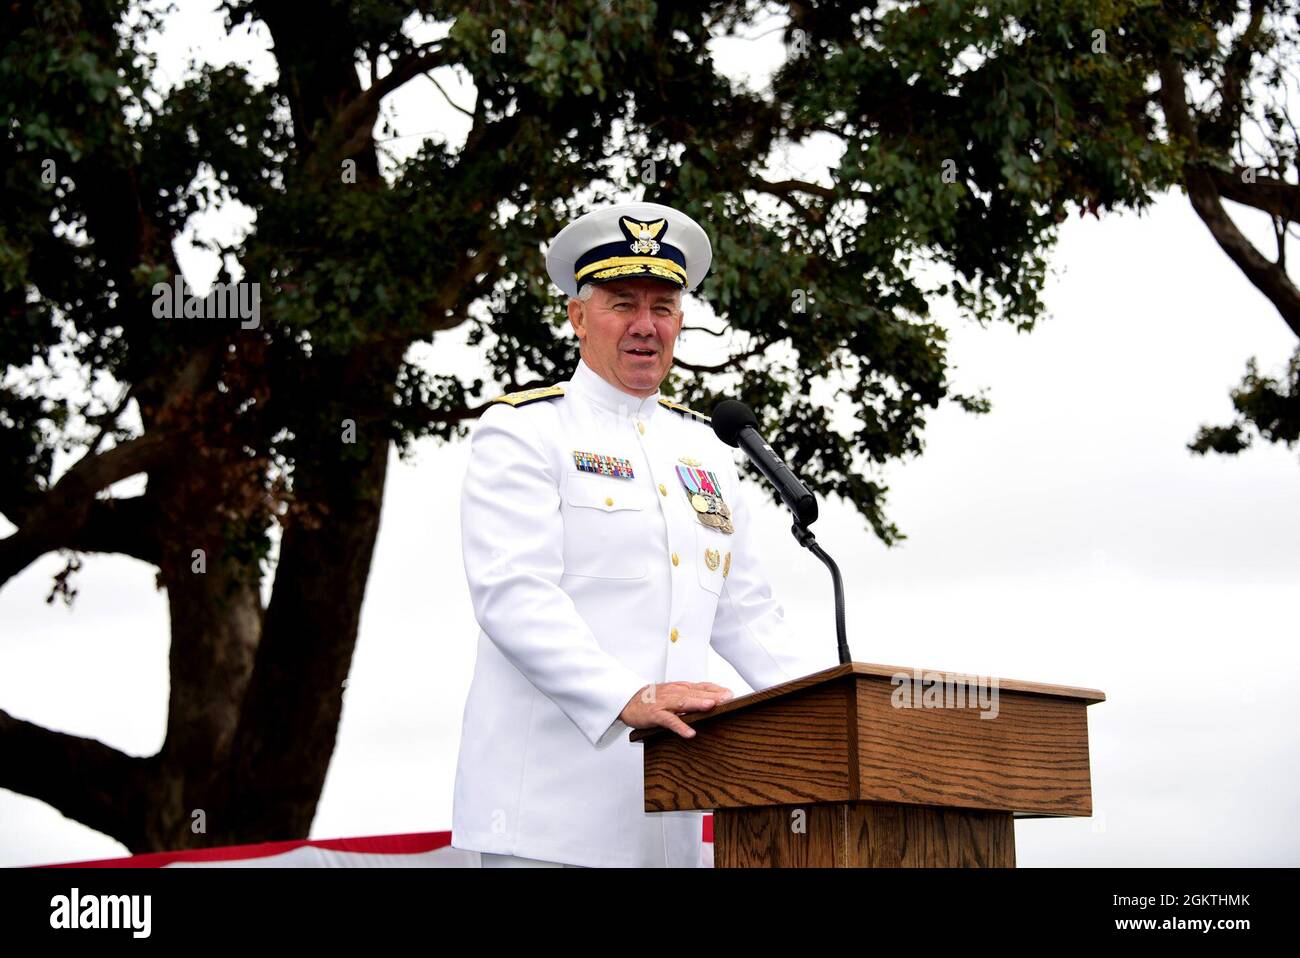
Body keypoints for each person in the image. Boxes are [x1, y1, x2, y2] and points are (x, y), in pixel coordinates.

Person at [450, 201, 833, 868]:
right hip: (549, 817)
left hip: (673, 815)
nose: (645, 326)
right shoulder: (524, 431)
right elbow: (513, 593)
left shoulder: (705, 450)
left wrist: (838, 719)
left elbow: (747, 616)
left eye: (663, 307)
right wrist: (626, 696)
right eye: (622, 302)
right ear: (578, 317)